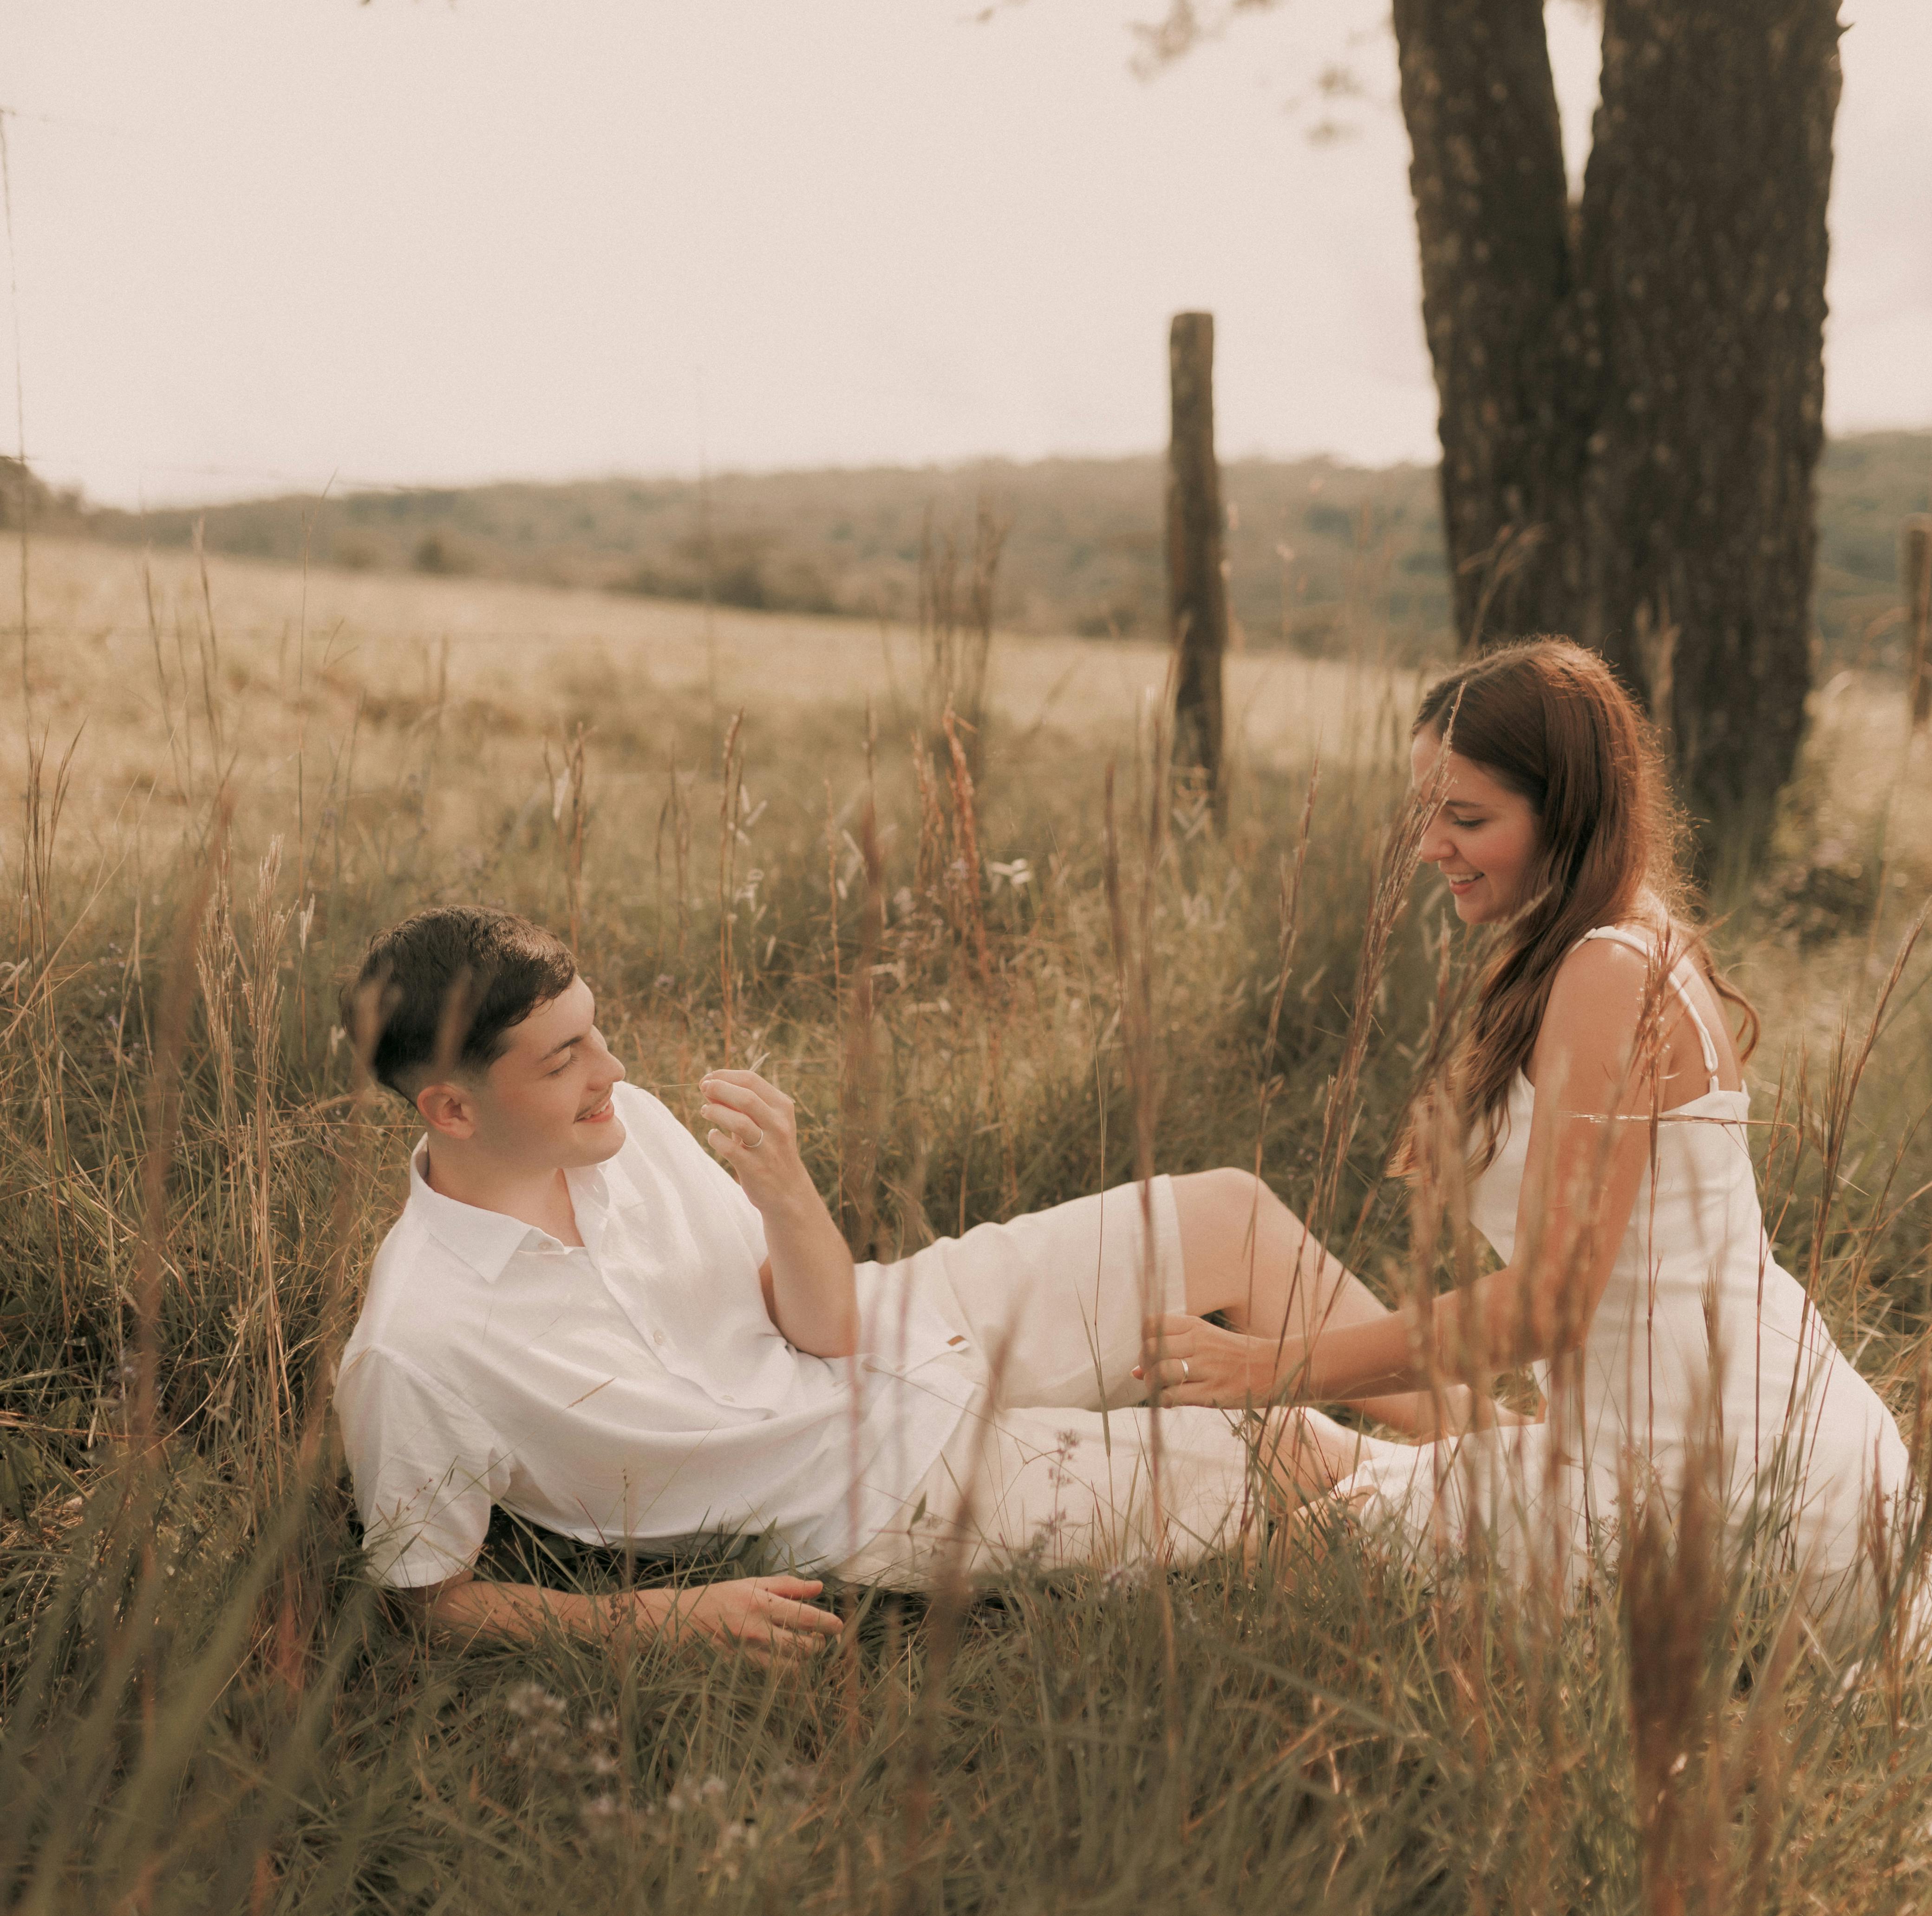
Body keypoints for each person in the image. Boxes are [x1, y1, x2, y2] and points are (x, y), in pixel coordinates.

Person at [332, 906, 1444, 1653]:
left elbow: (817, 1326)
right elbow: (433, 1603)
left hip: (901, 1317)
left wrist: (787, 1191)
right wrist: (676, 1616)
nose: (612, 1071)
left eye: (598, 1034)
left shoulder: (634, 1131)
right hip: (868, 1485)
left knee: (1228, 1216)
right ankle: (1565, 1515)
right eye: (563, 1059)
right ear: (454, 1109)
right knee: (1279, 1455)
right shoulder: (420, 1344)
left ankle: (1534, 1441)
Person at [1141, 638, 1923, 1655]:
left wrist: (1273, 1365)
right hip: (1768, 1460)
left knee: (1278, 1569)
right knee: (1302, 1463)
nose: (1430, 847)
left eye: (1466, 818)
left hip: (1735, 1498)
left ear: (1568, 813)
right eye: (1425, 811)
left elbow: (1552, 1304)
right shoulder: (1634, 941)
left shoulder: (1604, 973)